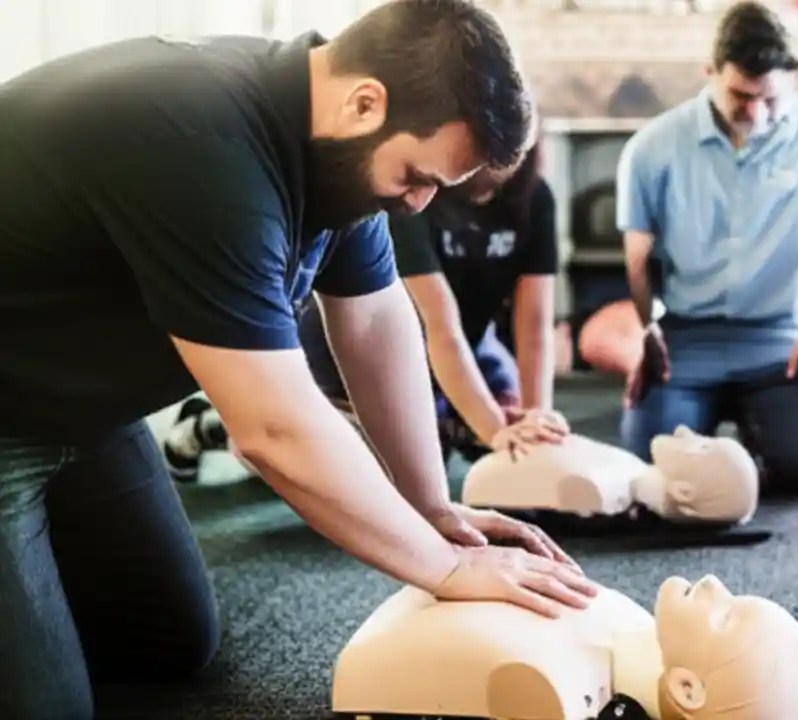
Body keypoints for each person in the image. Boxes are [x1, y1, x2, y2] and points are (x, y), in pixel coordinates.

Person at [0, 1, 597, 717]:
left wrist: (429, 504)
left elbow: (377, 321)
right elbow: (274, 430)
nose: (418, 205)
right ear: (365, 101)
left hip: (89, 417)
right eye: (417, 176)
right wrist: (446, 567)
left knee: (169, 641)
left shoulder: (329, 147)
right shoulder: (197, 143)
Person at [615, 0, 798, 497]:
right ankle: (724, 422)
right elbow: (638, 257)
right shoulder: (652, 146)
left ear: (793, 78)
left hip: (780, 339)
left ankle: (763, 426)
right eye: (739, 95)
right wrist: (647, 327)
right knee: (649, 467)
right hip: (685, 339)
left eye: (769, 98)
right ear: (710, 72)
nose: (754, 112)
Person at [298, 136, 570, 461]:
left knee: (507, 409)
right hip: (375, 354)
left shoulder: (536, 197)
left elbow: (534, 323)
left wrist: (535, 419)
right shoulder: (417, 194)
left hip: (473, 347)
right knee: (404, 455)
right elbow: (439, 325)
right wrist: (496, 432)